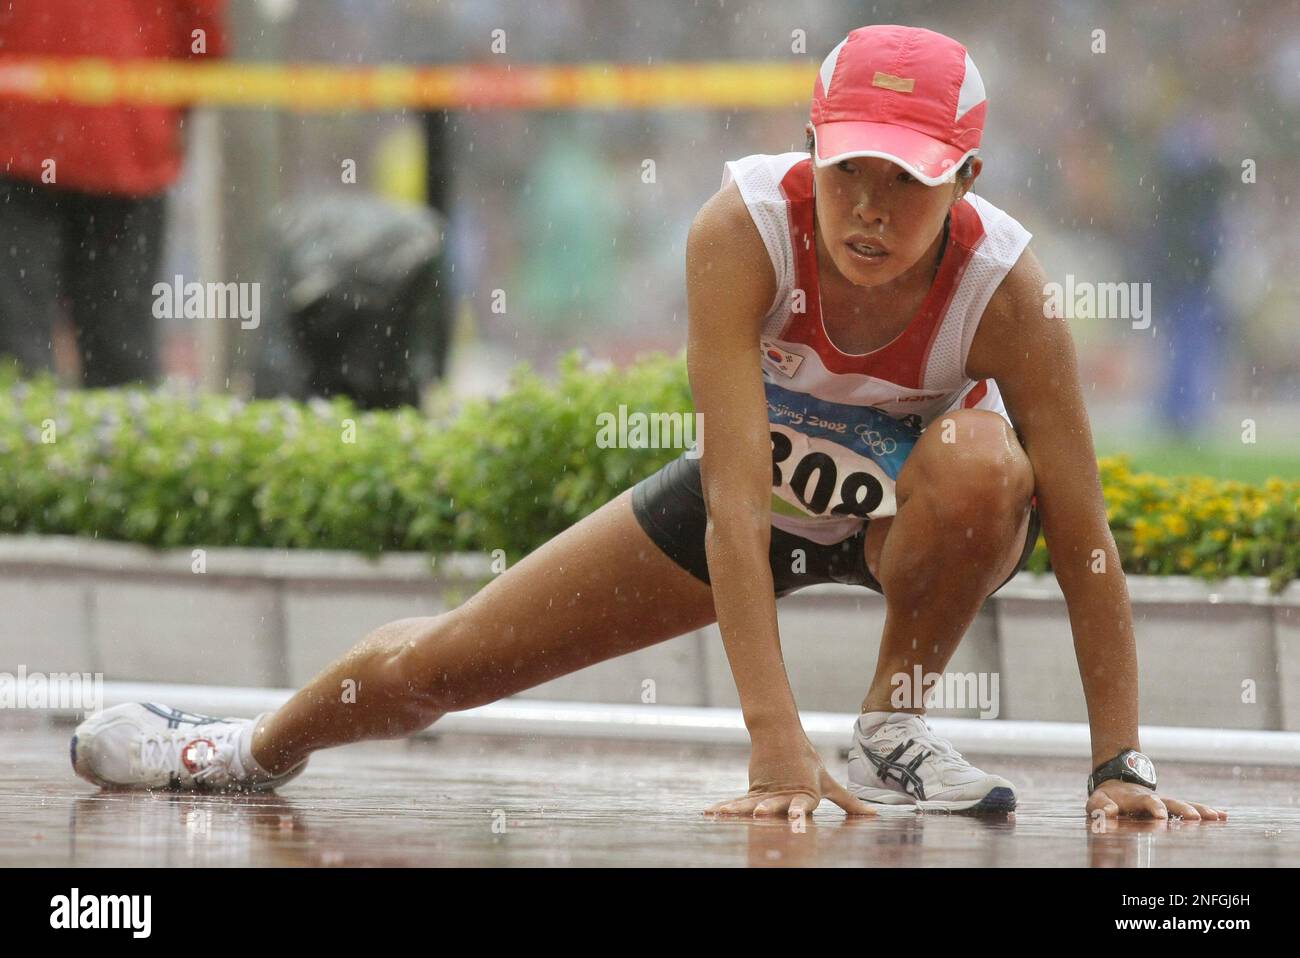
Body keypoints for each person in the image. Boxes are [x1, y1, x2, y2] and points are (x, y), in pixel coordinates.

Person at [69, 25, 1225, 823]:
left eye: (908, 182)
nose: (869, 209)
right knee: (442, 665)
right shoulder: (743, 228)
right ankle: (236, 749)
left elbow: (1082, 539)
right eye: (850, 171)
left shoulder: (1010, 293)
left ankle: (894, 721)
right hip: (756, 503)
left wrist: (1119, 763)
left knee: (985, 463)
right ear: (812, 148)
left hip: (917, 524)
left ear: (965, 179)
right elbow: (731, 507)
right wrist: (772, 739)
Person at [0, 0, 227, 387]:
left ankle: (30, 440)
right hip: (128, 146)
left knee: (18, 350)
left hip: (21, 144)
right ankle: (118, 440)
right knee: (121, 354)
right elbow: (202, 33)